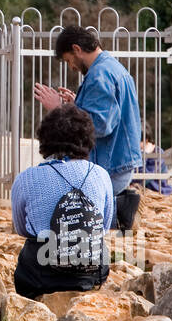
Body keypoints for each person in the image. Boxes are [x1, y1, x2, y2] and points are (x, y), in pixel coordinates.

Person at [32, 25, 142, 229]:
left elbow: (99, 125)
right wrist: (77, 105)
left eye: (68, 60)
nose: (71, 66)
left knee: (74, 213)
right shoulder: (111, 67)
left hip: (110, 165)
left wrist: (60, 109)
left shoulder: (100, 75)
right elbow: (106, 113)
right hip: (118, 162)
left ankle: (120, 211)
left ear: (76, 49)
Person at [11, 105, 115, 299]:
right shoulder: (100, 174)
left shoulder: (26, 178)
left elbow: (21, 229)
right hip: (89, 271)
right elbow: (104, 226)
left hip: (40, 275)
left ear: (44, 139)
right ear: (87, 139)